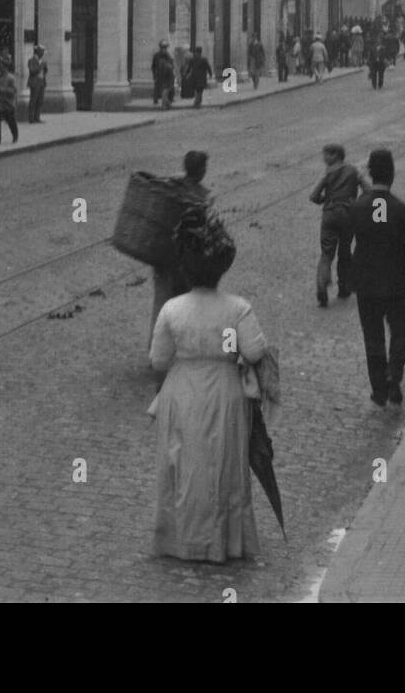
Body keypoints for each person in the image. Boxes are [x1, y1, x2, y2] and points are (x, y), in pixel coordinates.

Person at [149, 207, 267, 563]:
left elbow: (157, 360)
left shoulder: (172, 308)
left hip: (182, 389)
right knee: (223, 463)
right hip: (224, 390)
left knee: (181, 462)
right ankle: (223, 541)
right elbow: (254, 350)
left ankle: (180, 538)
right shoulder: (237, 308)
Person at [345, 148, 405, 406]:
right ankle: (394, 372)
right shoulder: (400, 209)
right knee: (401, 331)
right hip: (397, 285)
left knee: (372, 336)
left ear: (371, 174)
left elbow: (347, 236)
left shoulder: (358, 207)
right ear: (392, 174)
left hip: (367, 285)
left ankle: (379, 388)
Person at [150, 150, 212, 343]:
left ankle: (156, 349)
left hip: (161, 254)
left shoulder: (172, 184)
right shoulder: (203, 197)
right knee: (185, 305)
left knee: (161, 303)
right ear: (202, 171)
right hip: (184, 261)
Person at [311, 143, 367, 308]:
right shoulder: (354, 170)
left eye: (325, 155)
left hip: (329, 214)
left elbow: (313, 196)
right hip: (348, 215)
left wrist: (325, 200)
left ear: (335, 155)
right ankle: (344, 287)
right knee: (345, 252)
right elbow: (369, 188)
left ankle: (322, 283)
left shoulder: (327, 174)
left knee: (326, 253)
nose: (323, 158)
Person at [26, 45, 47, 124]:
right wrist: (41, 66)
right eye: (42, 52)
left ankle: (37, 117)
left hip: (41, 82)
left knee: (40, 100)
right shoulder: (31, 60)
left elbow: (45, 72)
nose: (43, 54)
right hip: (35, 82)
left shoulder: (42, 61)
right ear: (38, 52)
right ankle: (31, 118)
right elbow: (32, 71)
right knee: (33, 100)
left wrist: (45, 68)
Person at [152, 40, 175, 108]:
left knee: (169, 88)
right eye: (163, 47)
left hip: (167, 74)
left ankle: (169, 100)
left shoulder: (167, 55)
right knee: (157, 87)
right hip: (159, 74)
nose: (164, 49)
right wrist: (154, 74)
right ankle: (156, 100)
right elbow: (153, 66)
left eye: (165, 47)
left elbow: (171, 63)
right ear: (160, 47)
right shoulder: (156, 55)